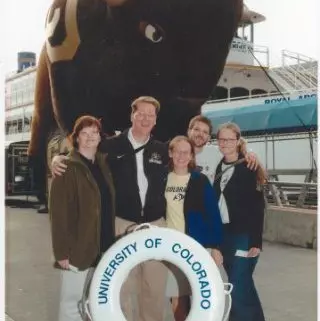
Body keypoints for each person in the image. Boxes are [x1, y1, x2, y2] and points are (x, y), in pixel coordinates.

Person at [51, 96, 169, 321]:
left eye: (150, 115)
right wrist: (57, 159)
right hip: (122, 225)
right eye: (140, 113)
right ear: (132, 115)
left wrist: (245, 152)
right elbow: (81, 151)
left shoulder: (162, 149)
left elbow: (188, 153)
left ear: (155, 120)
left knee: (153, 290)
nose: (145, 118)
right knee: (120, 289)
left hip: (154, 225)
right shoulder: (111, 146)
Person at [49, 115, 116, 321]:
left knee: (92, 301)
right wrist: (62, 252)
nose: (89, 137)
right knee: (72, 303)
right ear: (76, 138)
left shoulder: (103, 164)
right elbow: (58, 215)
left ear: (99, 136)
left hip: (101, 245)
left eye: (94, 133)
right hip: (77, 249)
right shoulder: (66, 167)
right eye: (84, 134)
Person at [165, 135, 223, 321]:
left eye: (186, 152)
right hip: (170, 246)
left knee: (199, 294)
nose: (181, 156)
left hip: (196, 246)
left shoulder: (200, 180)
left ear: (191, 156)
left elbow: (213, 214)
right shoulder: (161, 179)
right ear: (170, 153)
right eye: (177, 151)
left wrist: (215, 247)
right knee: (177, 294)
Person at [213, 122, 266, 321]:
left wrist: (256, 241)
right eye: (221, 139)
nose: (225, 143)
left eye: (230, 139)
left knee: (238, 284)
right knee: (241, 286)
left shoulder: (248, 167)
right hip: (224, 235)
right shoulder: (218, 165)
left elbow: (257, 207)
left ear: (237, 141)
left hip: (243, 236)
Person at [186, 115, 258, 184]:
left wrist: (250, 153)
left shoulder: (214, 152)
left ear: (208, 137)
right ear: (189, 131)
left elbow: (234, 146)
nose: (200, 134)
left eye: (205, 132)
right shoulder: (177, 153)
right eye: (196, 129)